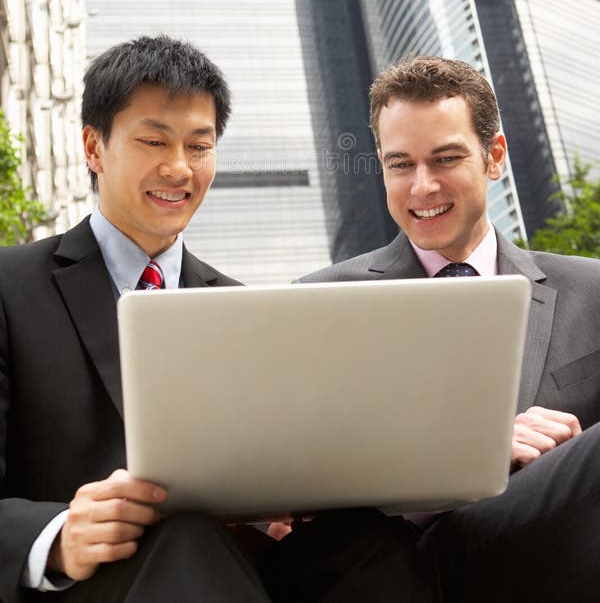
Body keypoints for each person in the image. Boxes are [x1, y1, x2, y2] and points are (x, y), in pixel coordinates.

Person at [0, 36, 433, 603]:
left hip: (231, 567)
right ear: (94, 147)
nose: (179, 167)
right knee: (185, 538)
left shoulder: (242, 308)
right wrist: (57, 538)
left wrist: (280, 503)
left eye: (199, 147)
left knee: (372, 545)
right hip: (95, 582)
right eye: (154, 140)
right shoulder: (12, 287)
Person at [300, 55, 600, 601]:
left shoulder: (593, 292)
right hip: (395, 573)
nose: (422, 187)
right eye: (400, 164)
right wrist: (477, 449)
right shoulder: (317, 301)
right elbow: (292, 484)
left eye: (445, 158)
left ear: (495, 156)